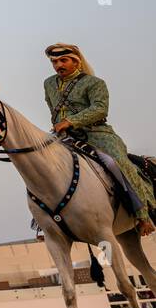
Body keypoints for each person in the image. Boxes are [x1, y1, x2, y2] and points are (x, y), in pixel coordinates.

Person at [43, 43, 155, 236]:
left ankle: (142, 215)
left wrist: (71, 121)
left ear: (76, 61)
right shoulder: (49, 83)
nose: (58, 65)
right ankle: (44, 222)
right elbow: (53, 108)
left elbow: (100, 109)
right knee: (42, 164)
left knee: (115, 164)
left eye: (63, 60)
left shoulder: (94, 83)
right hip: (65, 137)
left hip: (97, 134)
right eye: (54, 61)